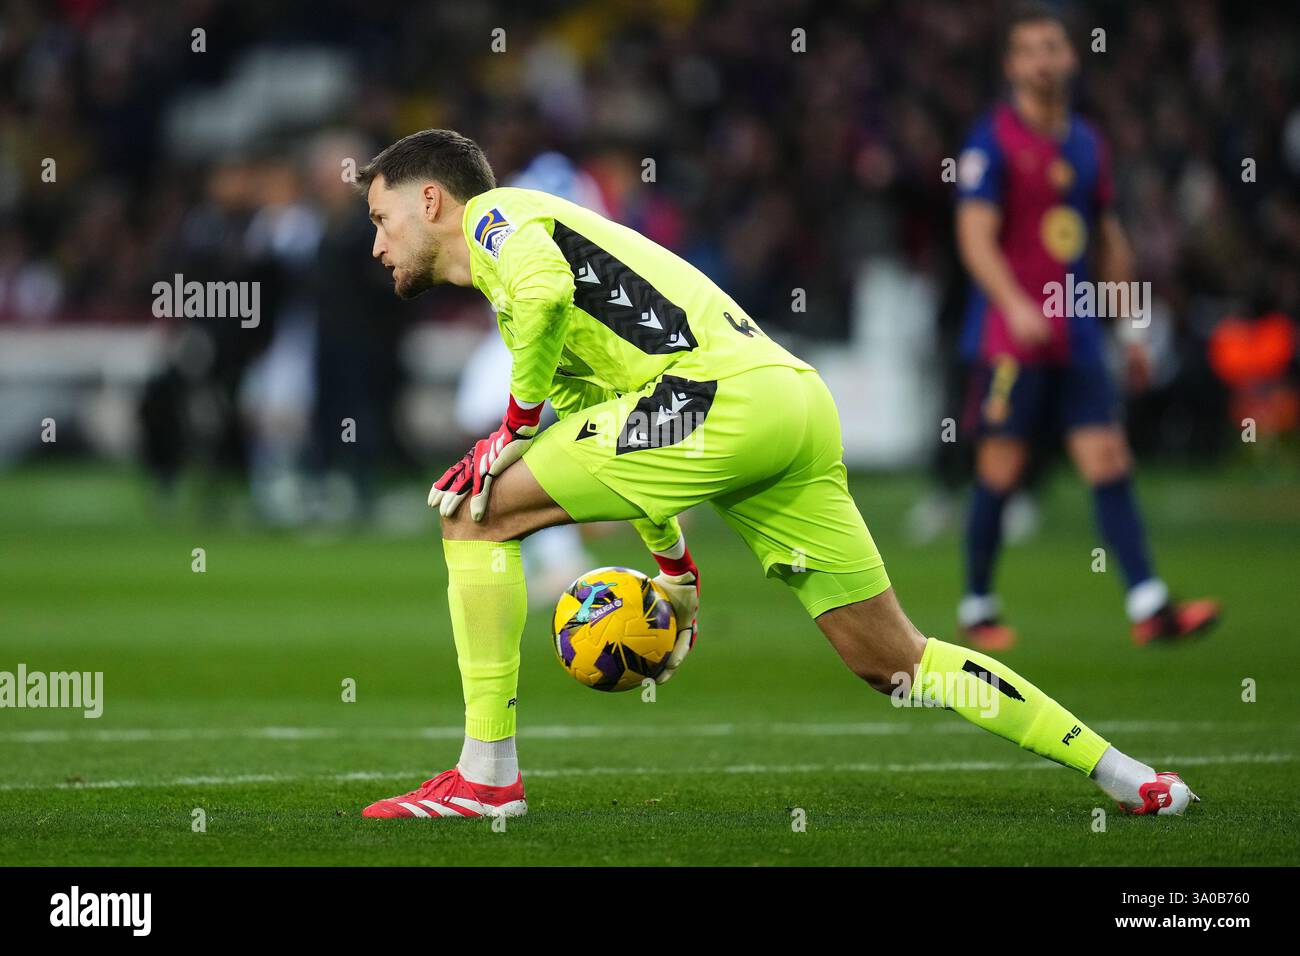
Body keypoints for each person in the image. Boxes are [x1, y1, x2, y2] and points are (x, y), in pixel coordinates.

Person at [354, 127, 1198, 820]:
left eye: (382, 217)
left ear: (432, 200)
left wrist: (513, 428)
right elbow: (634, 440)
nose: (376, 242)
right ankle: (1127, 775)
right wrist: (675, 572)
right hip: (785, 404)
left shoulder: (500, 219)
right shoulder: (549, 299)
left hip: (714, 400)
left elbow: (542, 302)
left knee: (473, 514)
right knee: (894, 661)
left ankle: (487, 777)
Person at [953, 4, 1219, 650]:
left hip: (1074, 334)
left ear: (1070, 59)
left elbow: (1106, 239)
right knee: (1001, 467)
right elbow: (974, 238)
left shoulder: (1087, 143)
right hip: (1012, 340)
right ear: (1013, 66)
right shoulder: (991, 142)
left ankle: (1149, 605)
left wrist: (1130, 327)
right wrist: (1015, 305)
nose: (1045, 59)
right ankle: (978, 607)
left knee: (1108, 457)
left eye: (1054, 47)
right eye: (1031, 50)